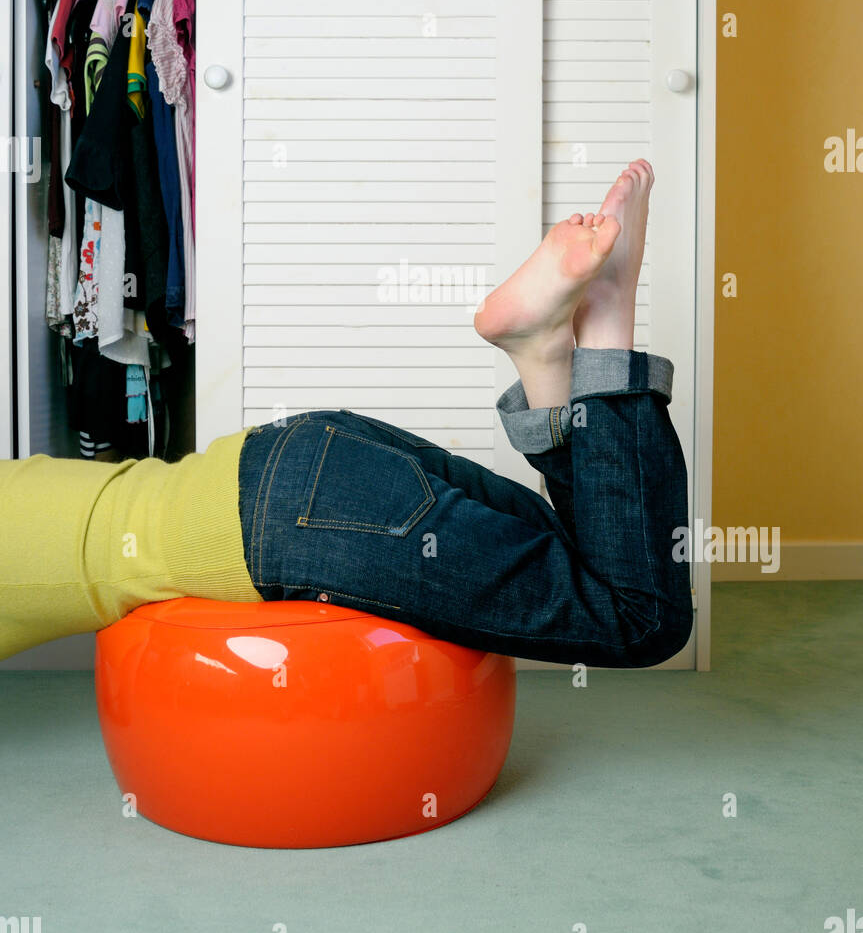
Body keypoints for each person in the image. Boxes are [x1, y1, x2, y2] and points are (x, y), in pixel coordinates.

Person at [0, 160, 692, 666]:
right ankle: (544, 355)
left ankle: (603, 319)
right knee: (572, 546)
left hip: (278, 524)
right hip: (298, 456)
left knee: (638, 619)